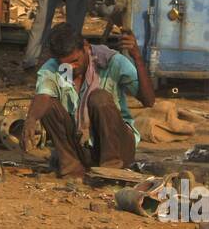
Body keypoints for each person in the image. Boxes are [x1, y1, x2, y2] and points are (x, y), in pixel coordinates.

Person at [23, 25, 143, 179]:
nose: (71, 67)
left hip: (119, 147)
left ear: (86, 46)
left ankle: (111, 170)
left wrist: (137, 58)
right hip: (83, 148)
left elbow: (148, 99)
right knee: (48, 106)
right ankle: (72, 169)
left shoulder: (112, 61)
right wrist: (31, 119)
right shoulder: (52, 69)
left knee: (99, 98)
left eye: (75, 61)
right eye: (65, 64)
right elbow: (43, 96)